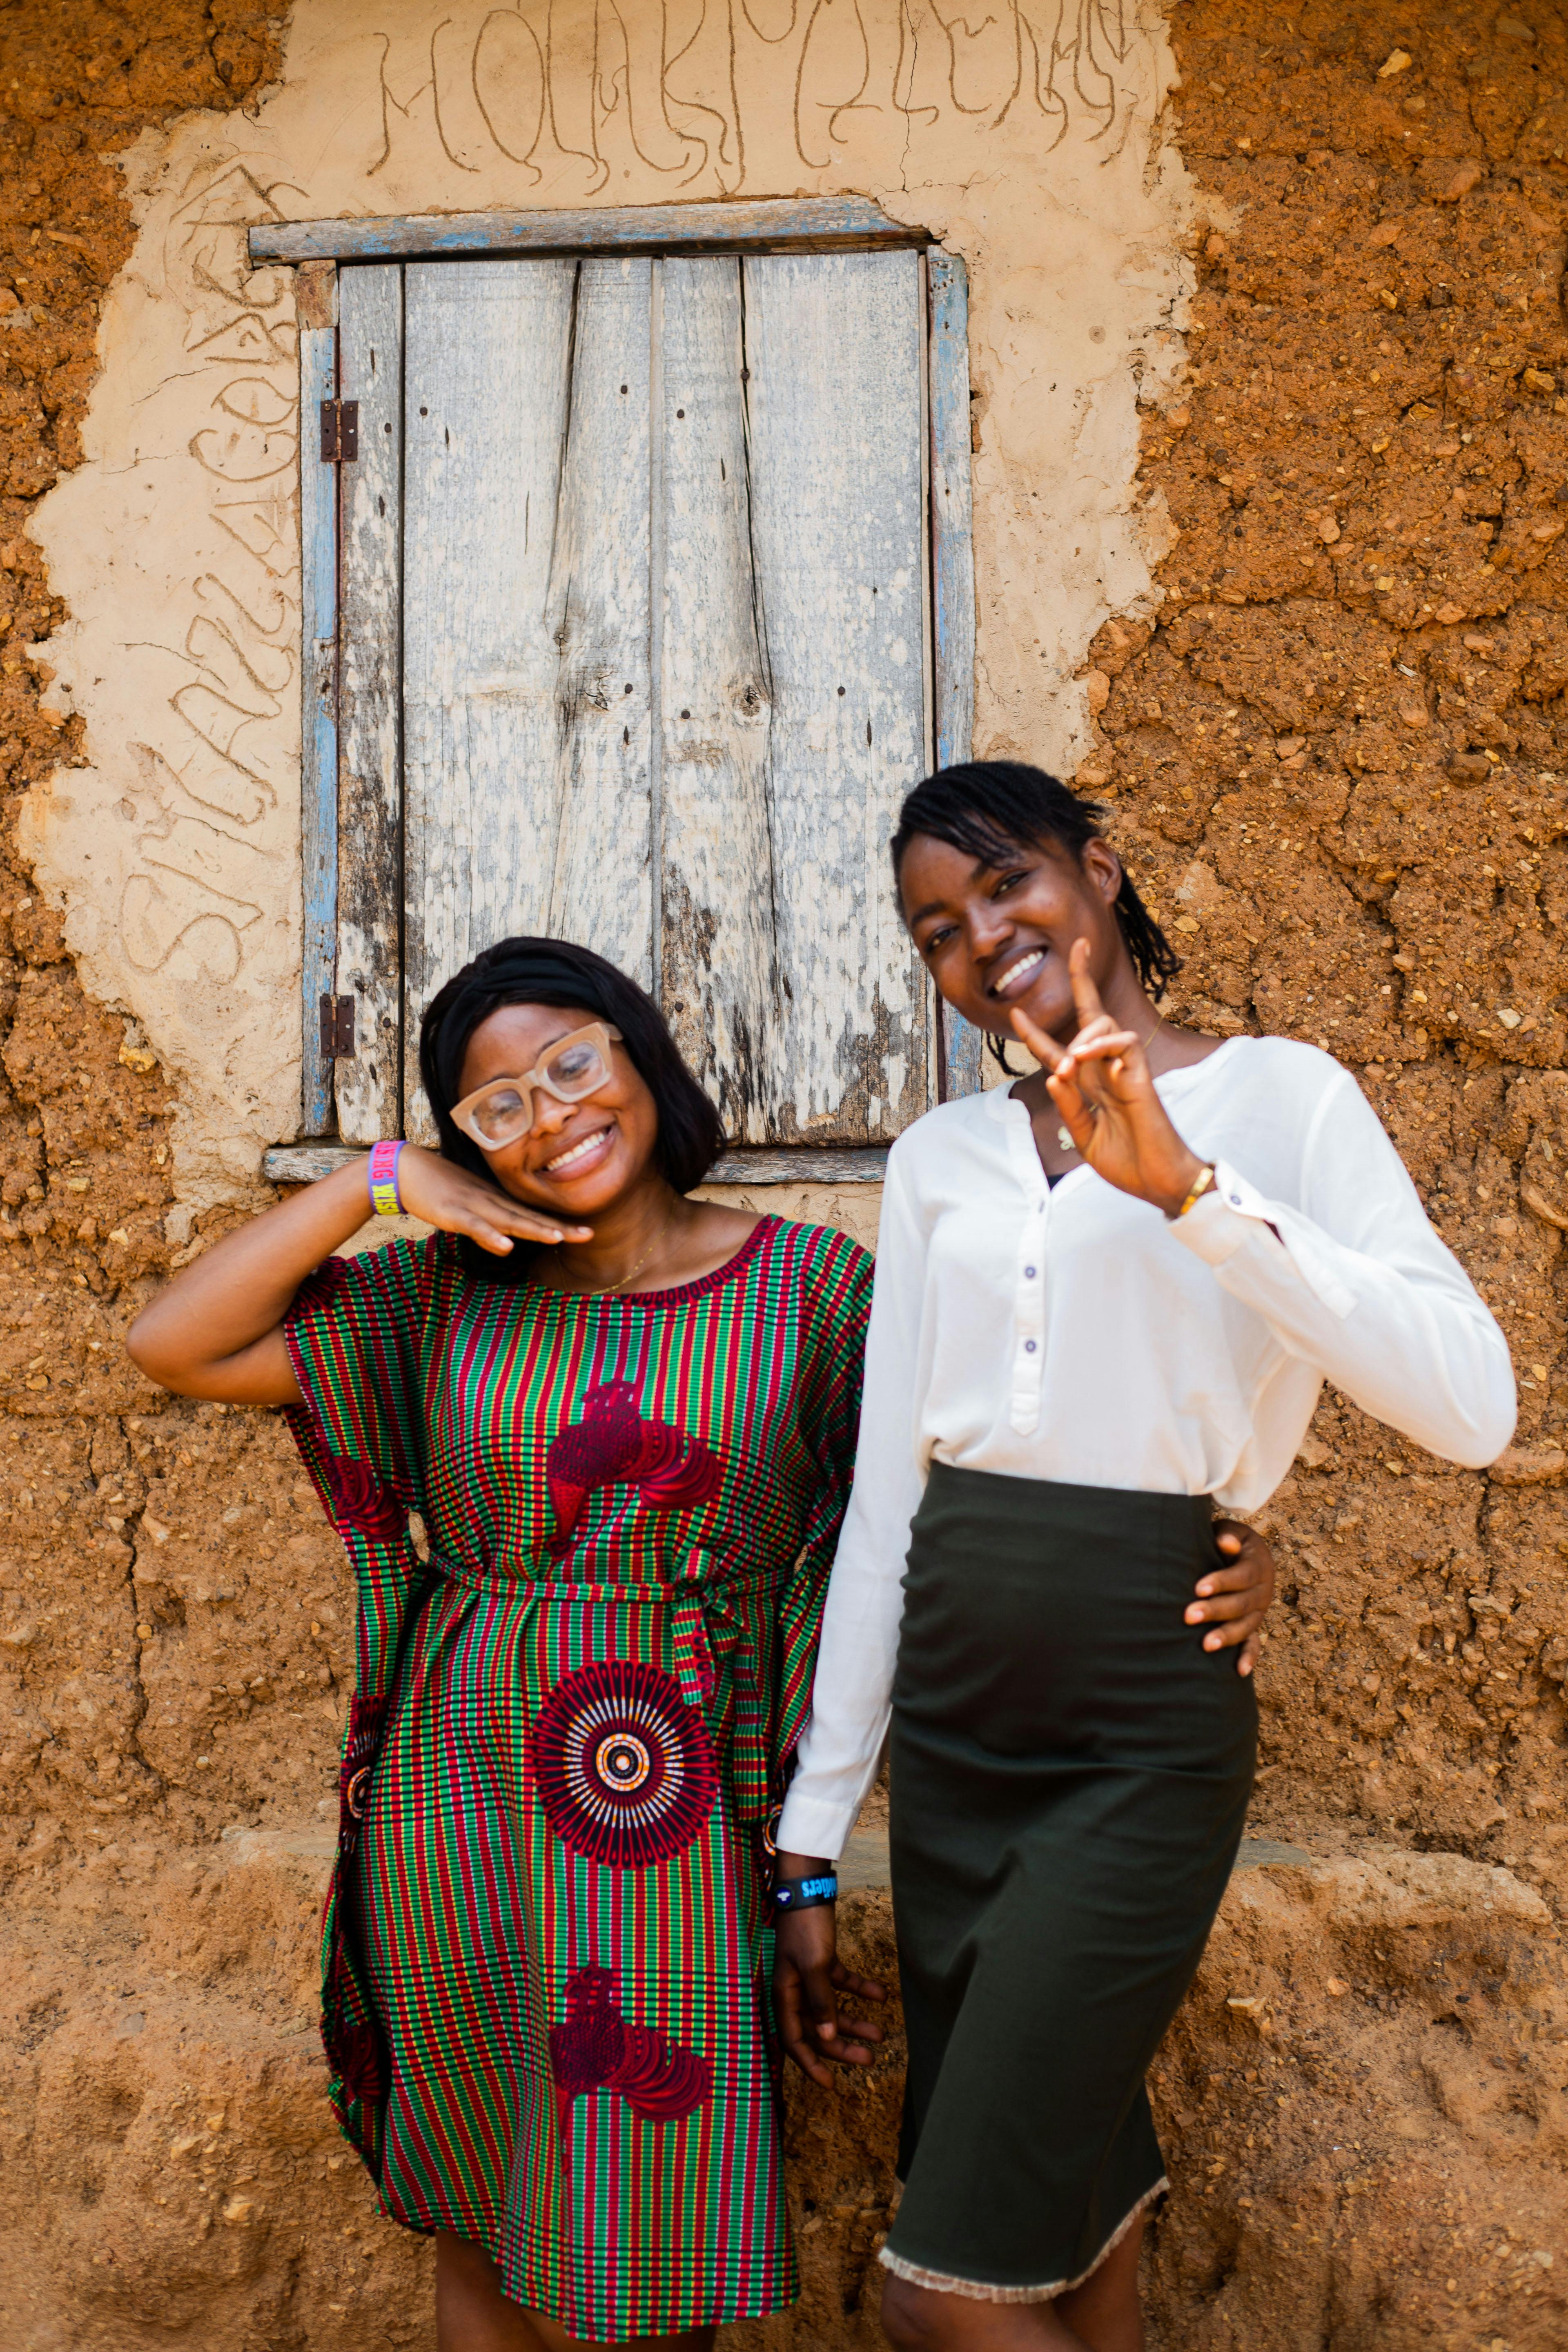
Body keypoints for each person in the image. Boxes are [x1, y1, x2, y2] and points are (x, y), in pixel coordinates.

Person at [771, 762, 1516, 2352]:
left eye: (1006, 885)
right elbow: (893, 1503)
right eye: (937, 930)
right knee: (1067, 2235)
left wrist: (1187, 1191)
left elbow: (1471, 1401)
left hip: (1142, 1727)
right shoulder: (939, 1165)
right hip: (961, 1740)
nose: (983, 936)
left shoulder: (1281, 1102)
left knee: (936, 2299)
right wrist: (817, 1828)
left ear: (1098, 872)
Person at [125, 937, 890, 2352]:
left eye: (572, 1068)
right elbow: (175, 1341)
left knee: (655, 2219)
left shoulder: (817, 1293)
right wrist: (368, 1184)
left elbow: (900, 1551)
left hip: (679, 1815)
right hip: (456, 1802)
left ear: (639, 1057)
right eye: (498, 1107)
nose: (552, 1117)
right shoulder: (434, 1300)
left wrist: (808, 1863)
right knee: (481, 2202)